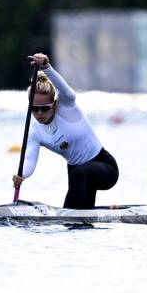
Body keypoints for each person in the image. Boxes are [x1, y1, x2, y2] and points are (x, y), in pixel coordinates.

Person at [13, 53, 119, 209]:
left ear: (54, 104)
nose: (40, 113)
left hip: (104, 167)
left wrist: (46, 67)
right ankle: (98, 214)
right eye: (35, 109)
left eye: (44, 108)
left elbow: (66, 90)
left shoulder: (66, 106)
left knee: (78, 178)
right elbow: (29, 160)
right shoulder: (35, 131)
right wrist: (22, 176)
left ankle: (66, 219)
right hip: (77, 173)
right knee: (81, 222)